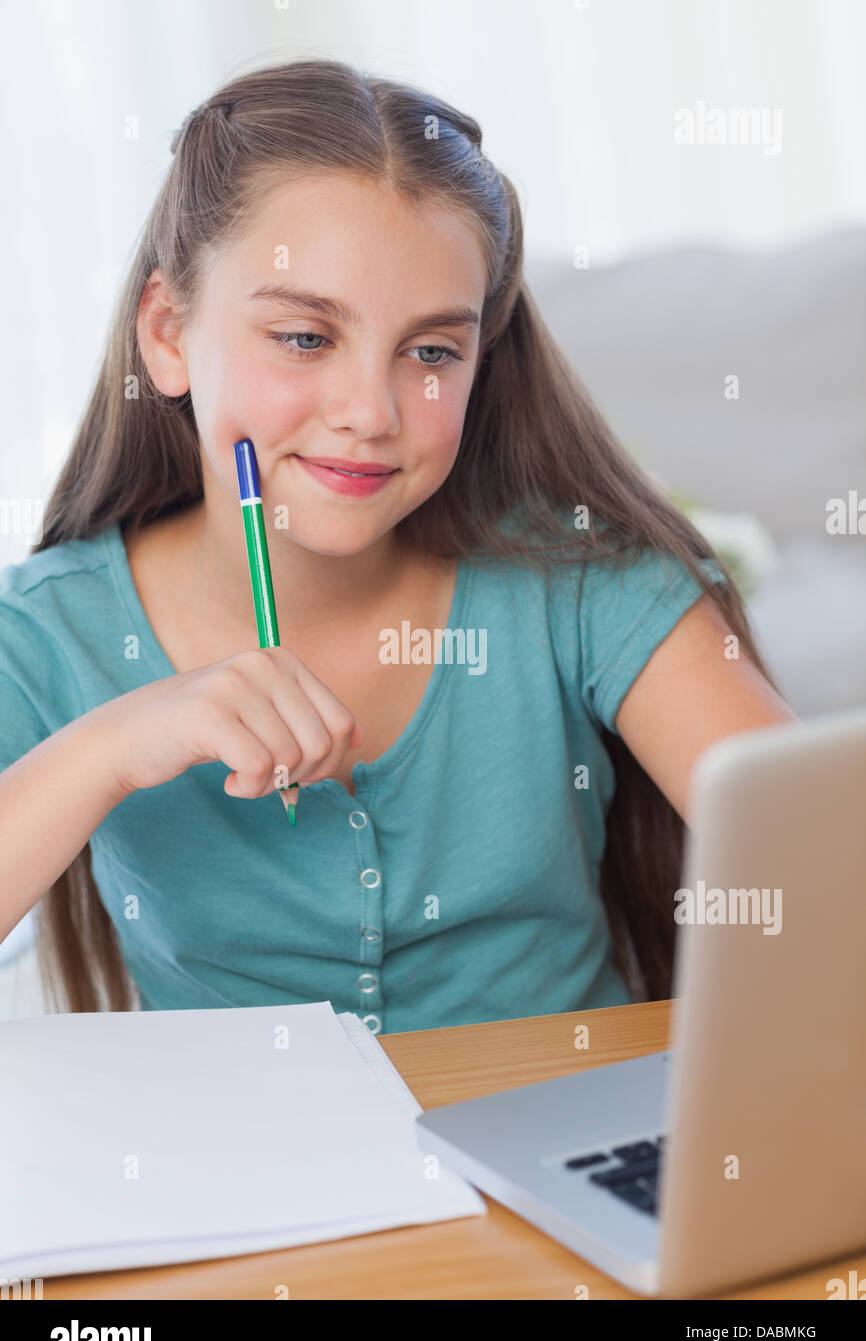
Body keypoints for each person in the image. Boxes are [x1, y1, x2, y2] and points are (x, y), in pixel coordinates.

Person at [0, 60, 796, 1031]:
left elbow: (815, 862)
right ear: (168, 333)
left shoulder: (583, 580)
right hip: (248, 1168)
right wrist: (114, 745)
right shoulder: (48, 630)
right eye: (303, 337)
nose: (368, 414)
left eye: (429, 352)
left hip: (566, 1149)